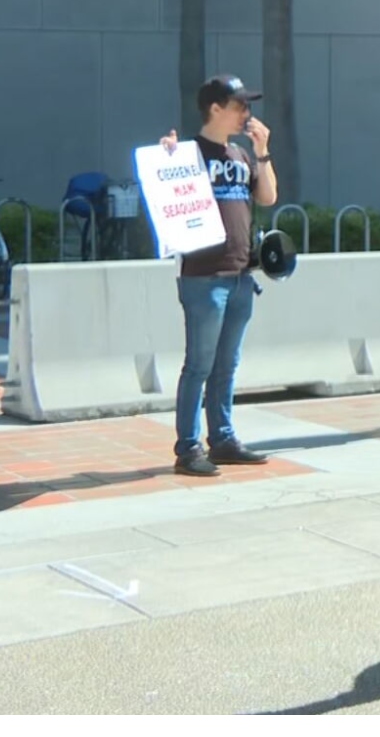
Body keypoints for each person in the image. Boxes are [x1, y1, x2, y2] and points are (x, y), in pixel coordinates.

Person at [157, 75, 278, 477]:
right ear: (215, 108)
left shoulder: (241, 155)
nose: (247, 113)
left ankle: (222, 437)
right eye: (240, 105)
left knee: (227, 364)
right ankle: (188, 446)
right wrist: (167, 156)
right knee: (200, 364)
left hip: (241, 274)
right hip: (204, 275)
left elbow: (268, 197)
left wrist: (262, 153)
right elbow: (163, 180)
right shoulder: (189, 154)